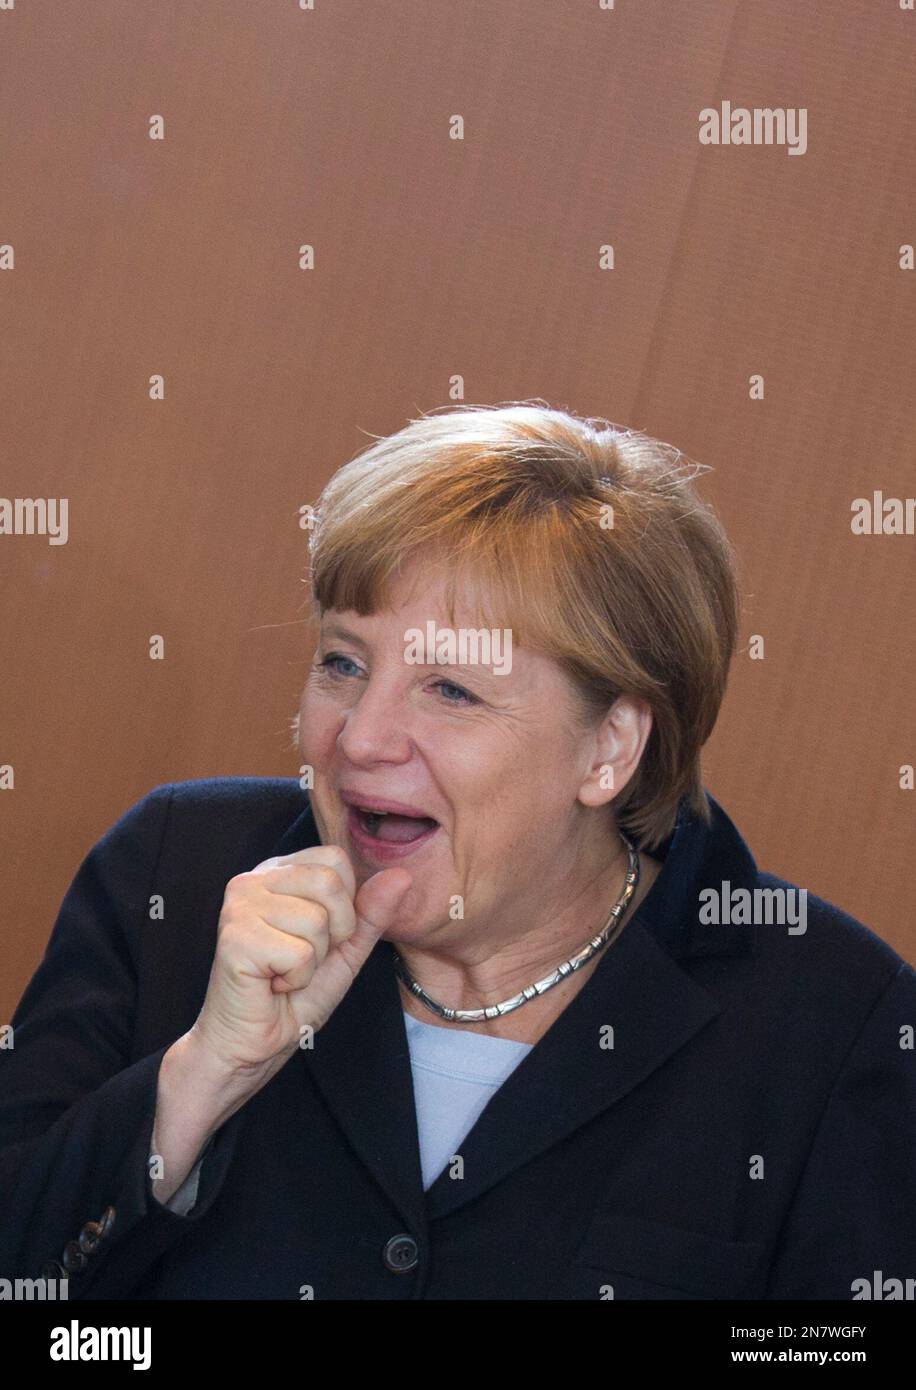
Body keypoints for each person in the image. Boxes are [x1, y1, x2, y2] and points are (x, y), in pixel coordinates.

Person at [2, 403, 914, 1300]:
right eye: (344, 663)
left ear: (609, 750)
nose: (361, 738)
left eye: (450, 689)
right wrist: (200, 1080)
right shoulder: (173, 874)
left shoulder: (834, 1021)